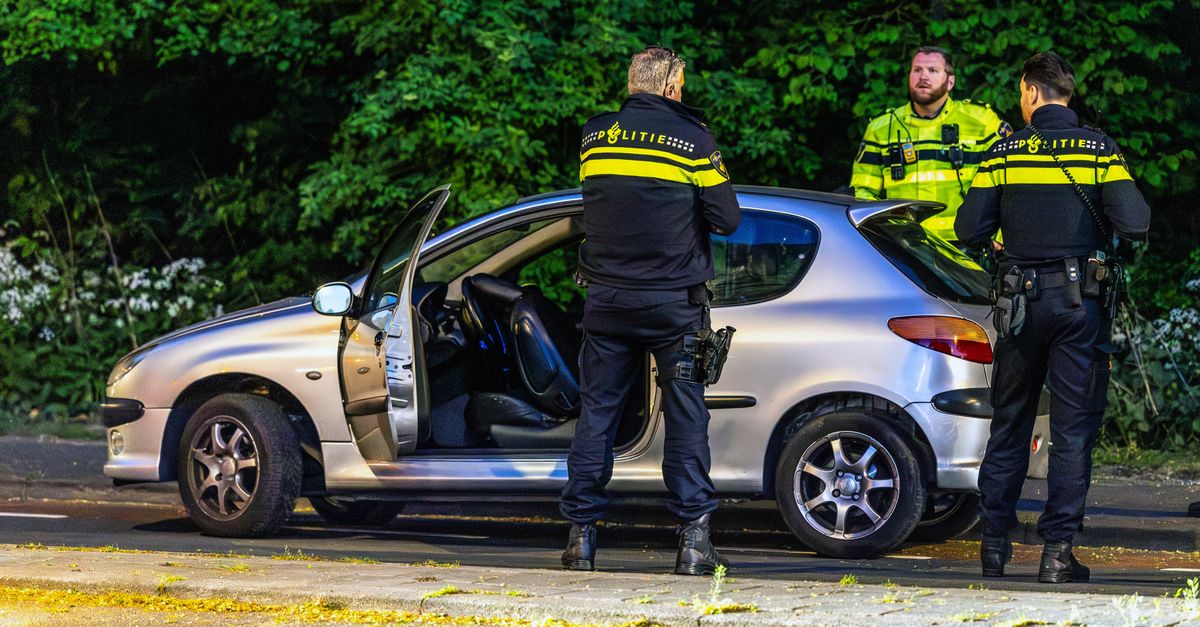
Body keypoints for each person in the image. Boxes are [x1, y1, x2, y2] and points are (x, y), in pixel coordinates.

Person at [955, 52, 1151, 583]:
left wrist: (1006, 247)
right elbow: (1135, 224)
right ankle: (1057, 555)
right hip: (1078, 306)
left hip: (1019, 307)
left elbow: (968, 228)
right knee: (1072, 432)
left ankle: (993, 549)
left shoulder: (1004, 151)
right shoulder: (1099, 150)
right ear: (1065, 93)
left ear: (1031, 92)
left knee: (1011, 423)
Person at [560, 45, 741, 576]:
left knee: (597, 416)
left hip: (607, 303)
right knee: (686, 418)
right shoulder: (692, 140)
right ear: (668, 86)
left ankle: (580, 540)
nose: (682, 93)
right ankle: (693, 543)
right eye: (680, 84)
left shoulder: (595, 137)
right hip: (673, 306)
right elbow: (726, 219)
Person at [851, 46, 1012, 246]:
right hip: (903, 245)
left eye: (933, 70)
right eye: (917, 70)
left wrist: (1001, 234)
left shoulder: (982, 122)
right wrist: (875, 236)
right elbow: (863, 193)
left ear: (950, 81)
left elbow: (1010, 180)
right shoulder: (881, 128)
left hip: (967, 245)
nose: (923, 76)